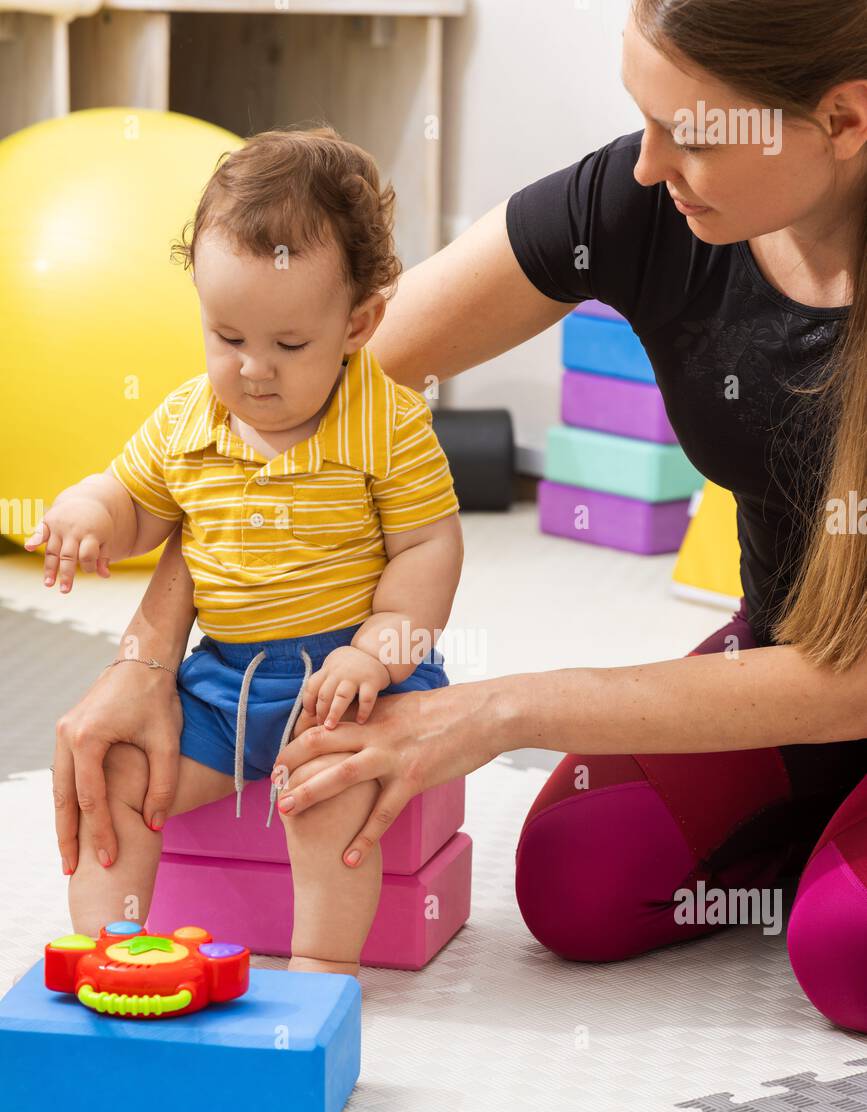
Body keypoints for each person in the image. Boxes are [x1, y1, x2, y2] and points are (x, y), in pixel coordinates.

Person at [50, 0, 867, 1029]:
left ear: (844, 119)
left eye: (694, 134)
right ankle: (817, 817)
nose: (648, 166)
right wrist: (146, 655)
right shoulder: (642, 197)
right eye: (644, 118)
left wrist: (487, 712)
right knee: (579, 882)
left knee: (850, 955)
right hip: (790, 661)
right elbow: (286, 424)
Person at [28, 126, 463, 977]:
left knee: (325, 790)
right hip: (224, 682)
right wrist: (87, 511)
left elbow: (426, 547)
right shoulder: (189, 420)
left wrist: (378, 651)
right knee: (118, 763)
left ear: (358, 322)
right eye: (226, 337)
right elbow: (136, 506)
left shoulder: (388, 424)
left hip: (349, 684)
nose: (252, 370)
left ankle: (318, 975)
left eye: (287, 345)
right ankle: (113, 951)